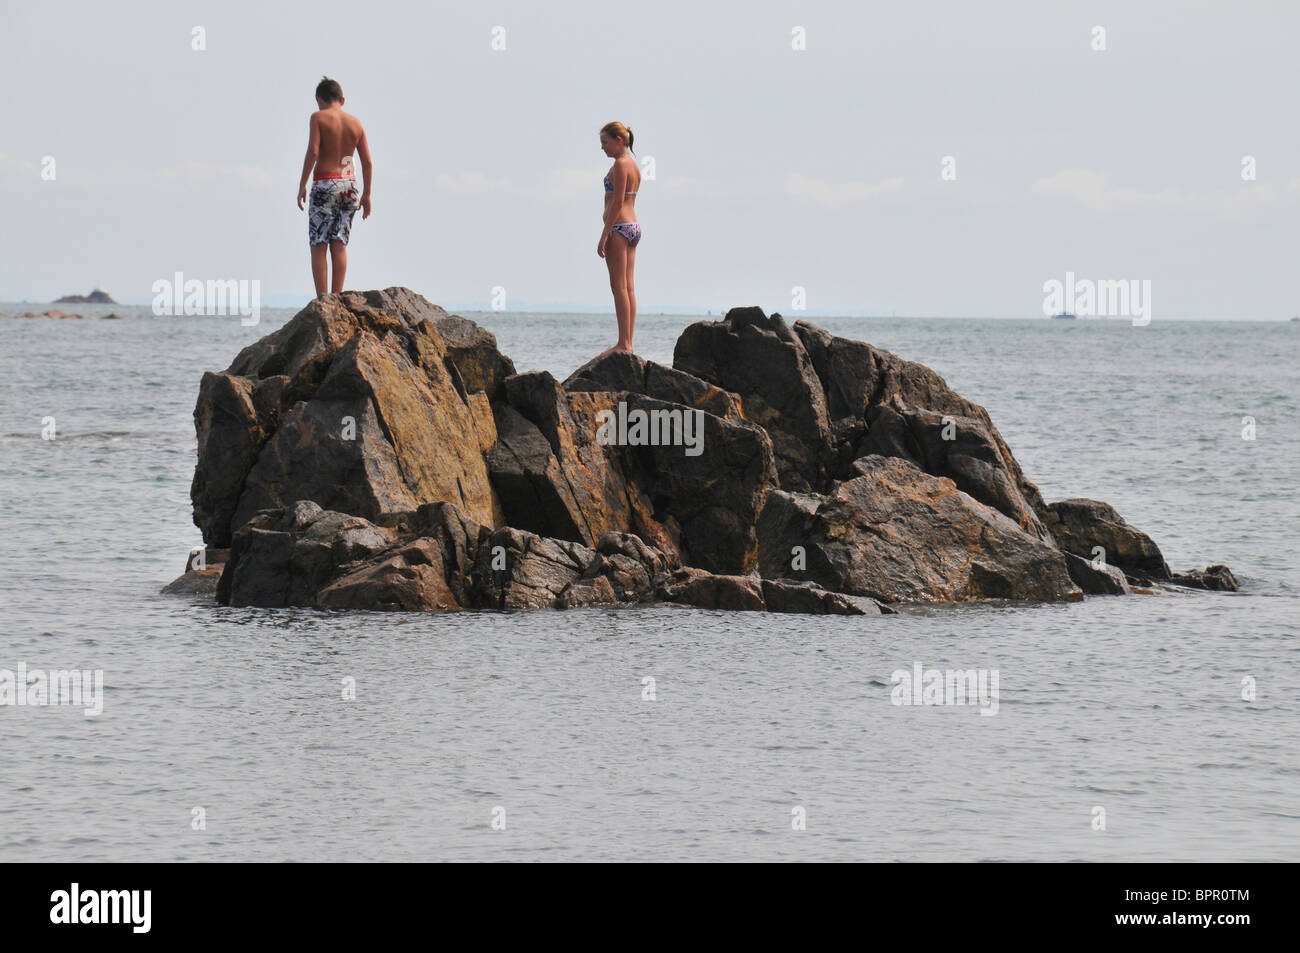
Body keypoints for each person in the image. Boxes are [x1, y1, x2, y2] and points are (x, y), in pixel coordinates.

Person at [296, 76, 373, 296]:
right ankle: (337, 298)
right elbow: (367, 162)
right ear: (343, 99)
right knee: (339, 243)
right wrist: (367, 194)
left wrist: (302, 184)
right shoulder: (356, 123)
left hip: (324, 184)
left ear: (319, 99)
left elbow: (313, 152)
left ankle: (323, 300)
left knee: (319, 243)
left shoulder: (318, 117)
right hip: (349, 185)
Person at [595, 121, 641, 358]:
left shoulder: (621, 165)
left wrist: (605, 234)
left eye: (605, 142)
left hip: (619, 227)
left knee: (618, 287)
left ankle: (624, 343)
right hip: (633, 227)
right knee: (628, 287)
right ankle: (628, 342)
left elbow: (617, 202)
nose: (603, 148)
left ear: (618, 140)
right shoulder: (634, 165)